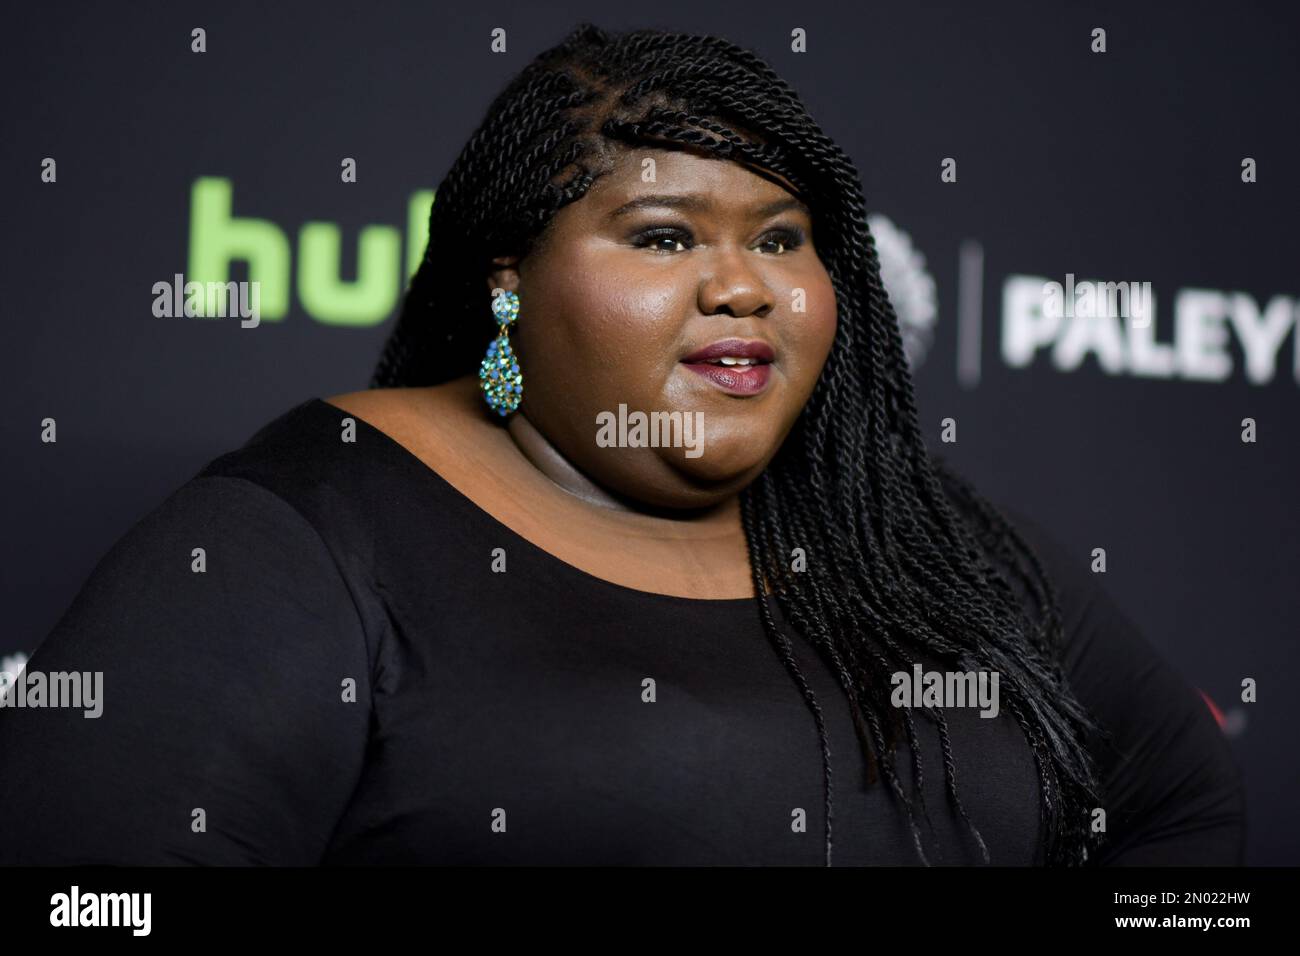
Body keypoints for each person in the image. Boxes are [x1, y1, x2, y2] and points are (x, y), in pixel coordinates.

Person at [0, 23, 1243, 866]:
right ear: (509, 279)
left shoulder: (929, 537)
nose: (741, 284)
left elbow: (1184, 810)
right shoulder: (297, 537)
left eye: (780, 237)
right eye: (661, 236)